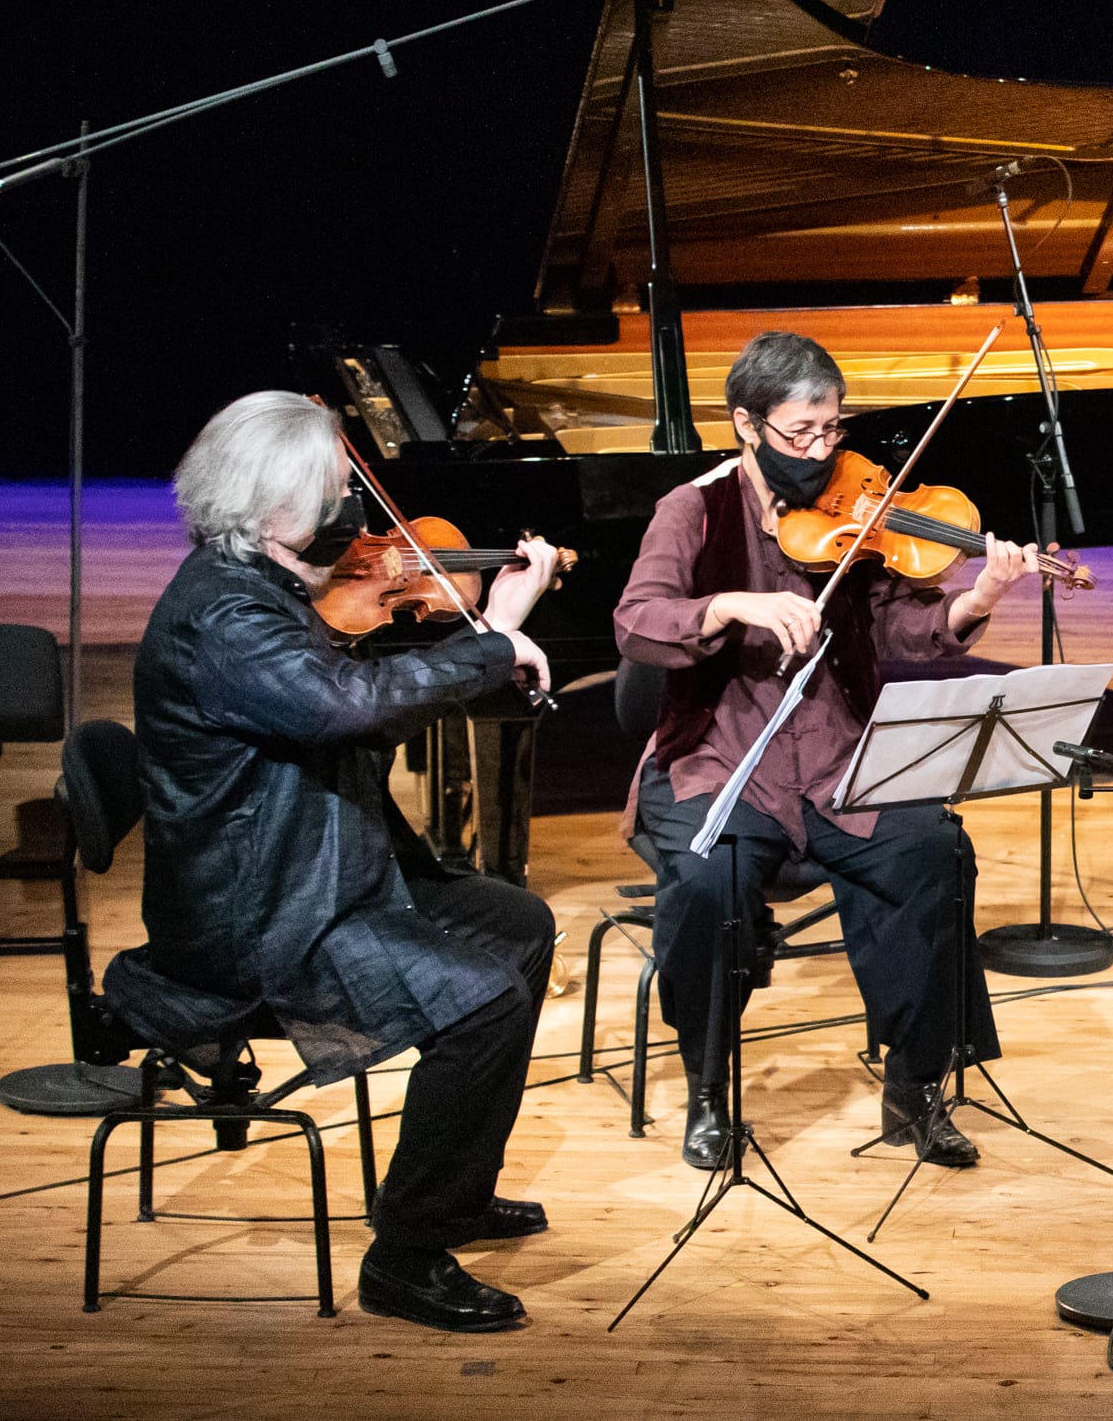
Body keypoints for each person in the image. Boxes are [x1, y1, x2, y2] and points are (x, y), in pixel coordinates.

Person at [123, 391, 563, 1333]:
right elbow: (346, 707)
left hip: (322, 869)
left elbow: (360, 689)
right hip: (263, 915)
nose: (351, 514)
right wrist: (490, 641)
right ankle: (406, 1256)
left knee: (519, 925)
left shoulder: (270, 588)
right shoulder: (225, 619)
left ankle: (450, 1194)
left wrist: (481, 639)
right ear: (277, 510)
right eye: (333, 493)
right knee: (484, 998)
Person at [615, 331, 1043, 1172]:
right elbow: (635, 619)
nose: (821, 452)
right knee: (710, 882)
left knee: (934, 850)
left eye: (832, 430)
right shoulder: (692, 510)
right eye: (800, 434)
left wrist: (977, 596)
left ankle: (915, 1082)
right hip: (722, 753)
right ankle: (708, 1084)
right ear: (747, 424)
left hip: (836, 755)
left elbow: (898, 627)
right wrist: (728, 606)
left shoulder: (858, 506)